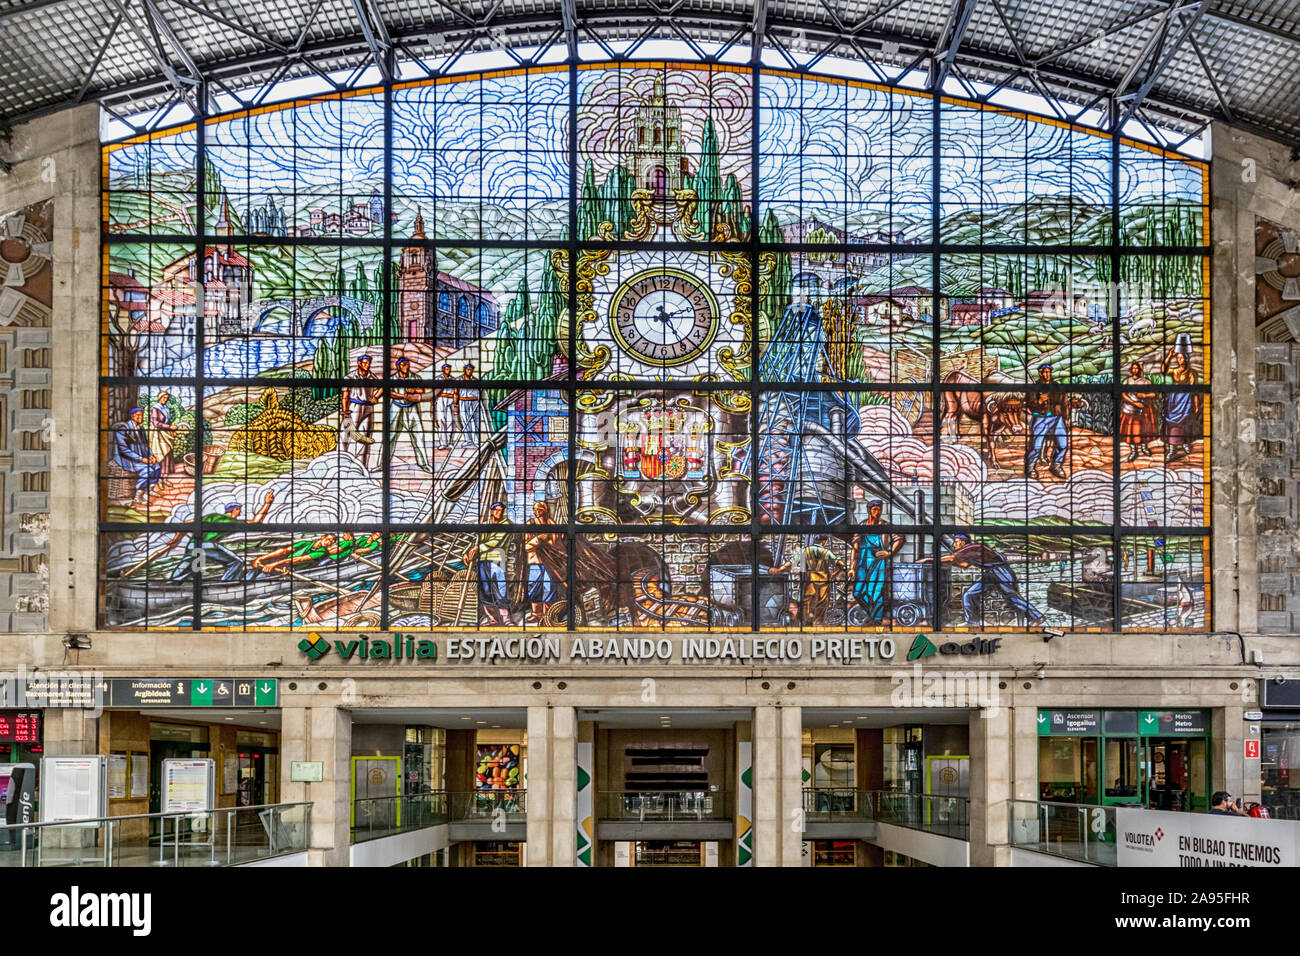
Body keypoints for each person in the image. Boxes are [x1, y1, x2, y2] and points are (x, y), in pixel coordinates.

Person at [923, 534, 1046, 628]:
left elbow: (952, 557)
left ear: (962, 541)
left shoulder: (970, 547)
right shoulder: (971, 550)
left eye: (956, 542)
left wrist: (929, 560)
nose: (954, 545)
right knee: (969, 594)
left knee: (1012, 597)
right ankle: (972, 622)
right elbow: (965, 564)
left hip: (1000, 572)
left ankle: (1037, 616)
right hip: (991, 573)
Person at [164, 491, 275, 581]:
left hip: (192, 545)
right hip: (207, 546)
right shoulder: (231, 521)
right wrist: (267, 504)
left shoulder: (211, 516)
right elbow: (256, 522)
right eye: (239, 511)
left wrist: (176, 540)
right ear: (234, 510)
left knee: (187, 570)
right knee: (237, 562)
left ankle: (172, 584)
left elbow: (187, 524)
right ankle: (227, 584)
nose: (239, 514)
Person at [769, 534, 845, 626]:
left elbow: (792, 562)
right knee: (822, 603)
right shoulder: (827, 552)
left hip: (810, 579)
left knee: (806, 602)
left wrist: (779, 569)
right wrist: (833, 575)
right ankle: (818, 623)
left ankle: (803, 623)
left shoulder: (806, 550)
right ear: (824, 542)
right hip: (824, 580)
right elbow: (841, 564)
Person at [850, 499, 904, 624]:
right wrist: (852, 567)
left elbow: (899, 538)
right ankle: (870, 613)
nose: (878, 512)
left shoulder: (885, 526)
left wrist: (889, 553)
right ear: (869, 511)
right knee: (858, 592)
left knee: (876, 592)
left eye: (879, 509)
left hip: (879, 563)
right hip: (862, 563)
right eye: (875, 509)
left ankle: (876, 620)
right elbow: (855, 547)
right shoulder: (862, 526)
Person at [465, 501, 513, 626]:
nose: (499, 512)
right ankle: (493, 618)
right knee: (485, 591)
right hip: (482, 561)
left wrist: (476, 549)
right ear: (491, 511)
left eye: (501, 510)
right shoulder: (484, 525)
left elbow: (495, 542)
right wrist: (467, 552)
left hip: (498, 559)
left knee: (500, 590)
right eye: (496, 510)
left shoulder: (506, 524)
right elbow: (476, 541)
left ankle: (506, 620)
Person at [1025, 365, 1071, 479]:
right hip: (1040, 418)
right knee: (1036, 446)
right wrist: (1039, 401)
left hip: (1057, 417)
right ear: (1040, 373)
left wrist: (1066, 418)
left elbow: (1064, 402)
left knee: (1062, 444)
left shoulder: (1057, 386)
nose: (1047, 374)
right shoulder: (1034, 388)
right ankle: (1030, 467)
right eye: (1044, 372)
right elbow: (1028, 404)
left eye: (1048, 372)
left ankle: (1056, 465)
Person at [111, 408, 162, 509]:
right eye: (138, 415)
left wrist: (151, 455)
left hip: (141, 457)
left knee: (157, 467)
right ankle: (138, 496)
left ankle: (149, 489)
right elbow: (124, 450)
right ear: (132, 416)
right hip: (126, 459)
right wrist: (141, 459)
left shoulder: (141, 429)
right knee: (147, 470)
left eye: (142, 415)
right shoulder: (123, 429)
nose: (141, 417)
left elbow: (145, 445)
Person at [388, 357, 430, 471]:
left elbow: (422, 390)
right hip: (396, 408)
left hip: (412, 409)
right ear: (398, 366)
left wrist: (414, 391)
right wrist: (404, 396)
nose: (406, 366)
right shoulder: (392, 378)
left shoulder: (415, 377)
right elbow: (389, 392)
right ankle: (383, 465)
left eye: (407, 364)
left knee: (418, 436)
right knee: (390, 436)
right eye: (403, 364)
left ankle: (423, 463)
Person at [523, 501, 562, 624]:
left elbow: (557, 543)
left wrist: (548, 543)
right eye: (535, 509)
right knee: (534, 587)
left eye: (539, 509)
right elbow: (526, 546)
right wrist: (539, 539)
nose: (536, 512)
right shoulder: (530, 524)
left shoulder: (551, 523)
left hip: (549, 562)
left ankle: (548, 614)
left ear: (545, 510)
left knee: (549, 587)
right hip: (534, 561)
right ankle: (536, 614)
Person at [1161, 348, 1201, 463]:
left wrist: (1196, 404)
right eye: (1178, 358)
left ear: (1187, 359)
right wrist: (1169, 356)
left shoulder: (1191, 372)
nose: (1179, 360)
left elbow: (1195, 390)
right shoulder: (1174, 371)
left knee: (1185, 423)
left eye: (1182, 357)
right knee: (1172, 423)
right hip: (1174, 400)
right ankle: (1172, 449)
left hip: (1186, 400)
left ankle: (1186, 443)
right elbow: (1163, 370)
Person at [341, 355, 380, 469]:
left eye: (368, 363)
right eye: (364, 363)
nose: (366, 365)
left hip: (368, 408)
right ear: (359, 363)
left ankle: (361, 466)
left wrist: (376, 397)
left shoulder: (372, 377)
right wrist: (345, 413)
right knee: (346, 434)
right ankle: (342, 462)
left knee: (365, 436)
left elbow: (382, 387)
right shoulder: (350, 377)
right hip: (354, 407)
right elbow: (345, 396)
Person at [1119, 362, 1158, 462]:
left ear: (1140, 370)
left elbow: (1154, 394)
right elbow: (1123, 394)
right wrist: (1134, 403)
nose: (1135, 370)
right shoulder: (1127, 381)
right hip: (1130, 409)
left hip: (1144, 410)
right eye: (1133, 368)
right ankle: (1133, 451)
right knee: (1131, 431)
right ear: (1131, 370)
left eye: (1137, 368)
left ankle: (1144, 448)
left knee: (1143, 430)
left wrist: (1145, 396)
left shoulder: (1146, 382)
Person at [147, 392, 180, 476]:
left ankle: (165, 476)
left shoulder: (165, 408)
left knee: (167, 453)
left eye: (166, 398)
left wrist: (172, 430)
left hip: (166, 432)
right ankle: (160, 476)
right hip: (157, 434)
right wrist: (170, 427)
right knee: (161, 453)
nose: (165, 400)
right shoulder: (155, 408)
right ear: (159, 398)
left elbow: (168, 421)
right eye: (164, 398)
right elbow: (156, 423)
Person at [434, 363, 460, 451]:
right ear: (443, 370)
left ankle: (450, 442)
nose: (448, 370)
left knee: (450, 422)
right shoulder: (438, 379)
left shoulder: (453, 380)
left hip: (450, 400)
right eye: (446, 369)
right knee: (441, 421)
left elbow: (456, 391)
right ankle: (443, 443)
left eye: (449, 369)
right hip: (441, 399)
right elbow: (434, 392)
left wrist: (456, 403)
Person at [457, 363, 481, 449]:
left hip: (474, 402)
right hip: (463, 402)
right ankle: (468, 440)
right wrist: (456, 404)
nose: (469, 371)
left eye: (471, 370)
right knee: (465, 421)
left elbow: (479, 393)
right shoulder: (459, 380)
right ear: (465, 370)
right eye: (468, 369)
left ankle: (476, 441)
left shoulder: (475, 381)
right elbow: (456, 392)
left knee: (475, 422)